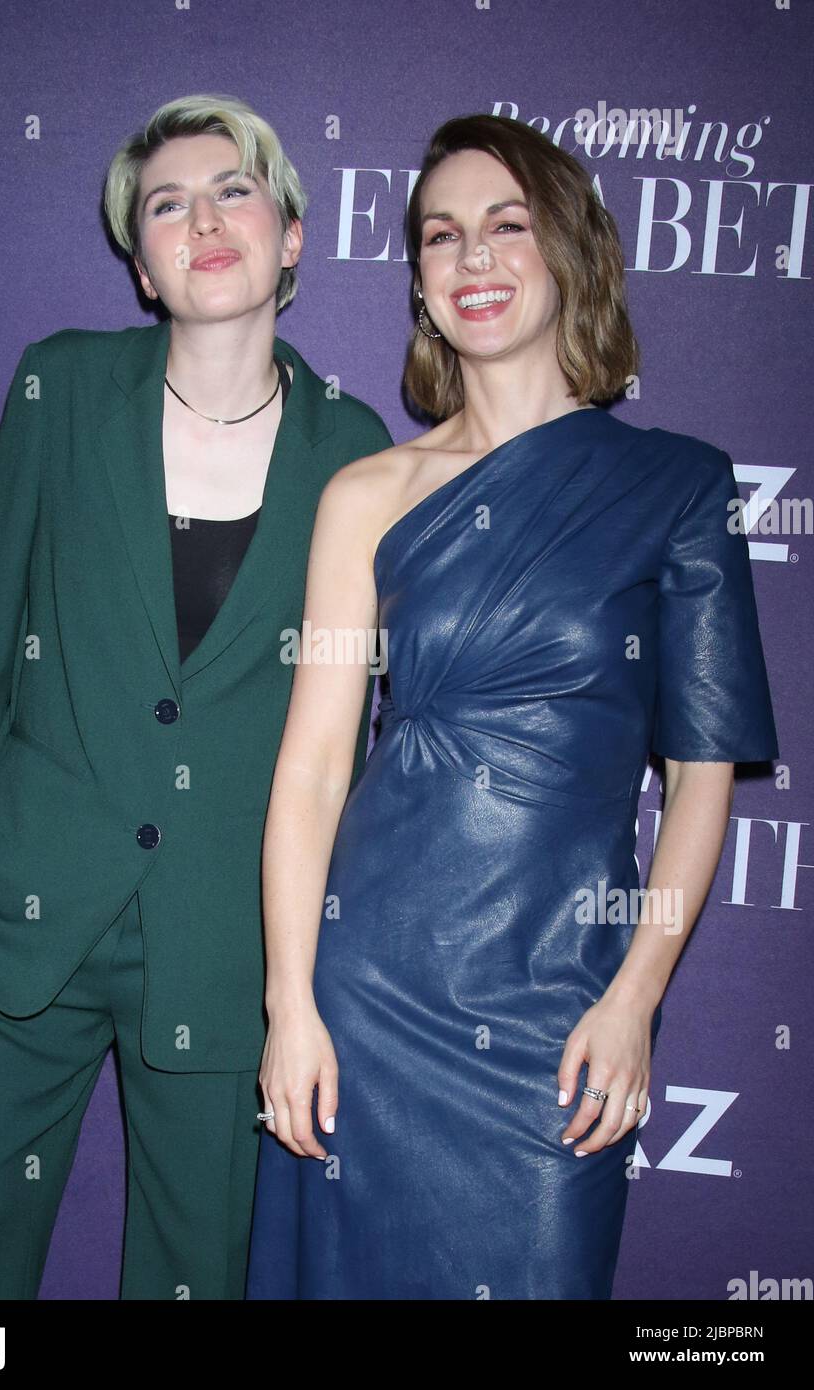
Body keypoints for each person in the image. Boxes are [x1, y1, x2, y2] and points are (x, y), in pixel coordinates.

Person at [245, 113, 779, 1299]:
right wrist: (291, 1005)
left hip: (557, 1006)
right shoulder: (366, 494)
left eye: (507, 226)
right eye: (442, 237)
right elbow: (315, 771)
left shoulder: (680, 488)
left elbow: (699, 776)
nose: (472, 259)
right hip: (367, 992)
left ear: (571, 254)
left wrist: (636, 994)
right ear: (420, 285)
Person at [0, 93, 392, 1300]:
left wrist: (294, 959)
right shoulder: (59, 389)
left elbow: (347, 739)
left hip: (224, 944)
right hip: (20, 918)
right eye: (168, 204)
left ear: (294, 234)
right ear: (143, 261)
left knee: (196, 1276)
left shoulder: (353, 449)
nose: (203, 219)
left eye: (233, 191)